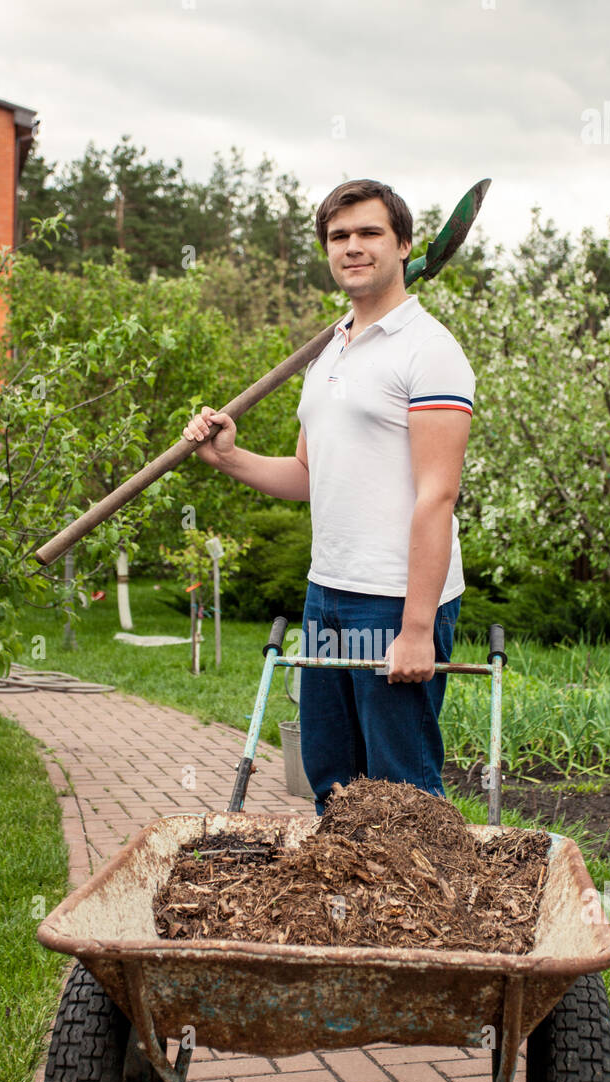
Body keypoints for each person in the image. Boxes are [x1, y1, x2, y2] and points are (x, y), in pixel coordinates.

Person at [182, 178, 474, 815]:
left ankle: (422, 913)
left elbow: (437, 496)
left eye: (370, 233)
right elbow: (307, 475)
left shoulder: (430, 351)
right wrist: (229, 457)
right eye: (339, 236)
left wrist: (418, 629)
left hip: (395, 598)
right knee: (332, 781)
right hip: (327, 592)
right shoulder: (328, 353)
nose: (353, 247)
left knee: (402, 792)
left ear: (403, 246)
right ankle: (345, 909)